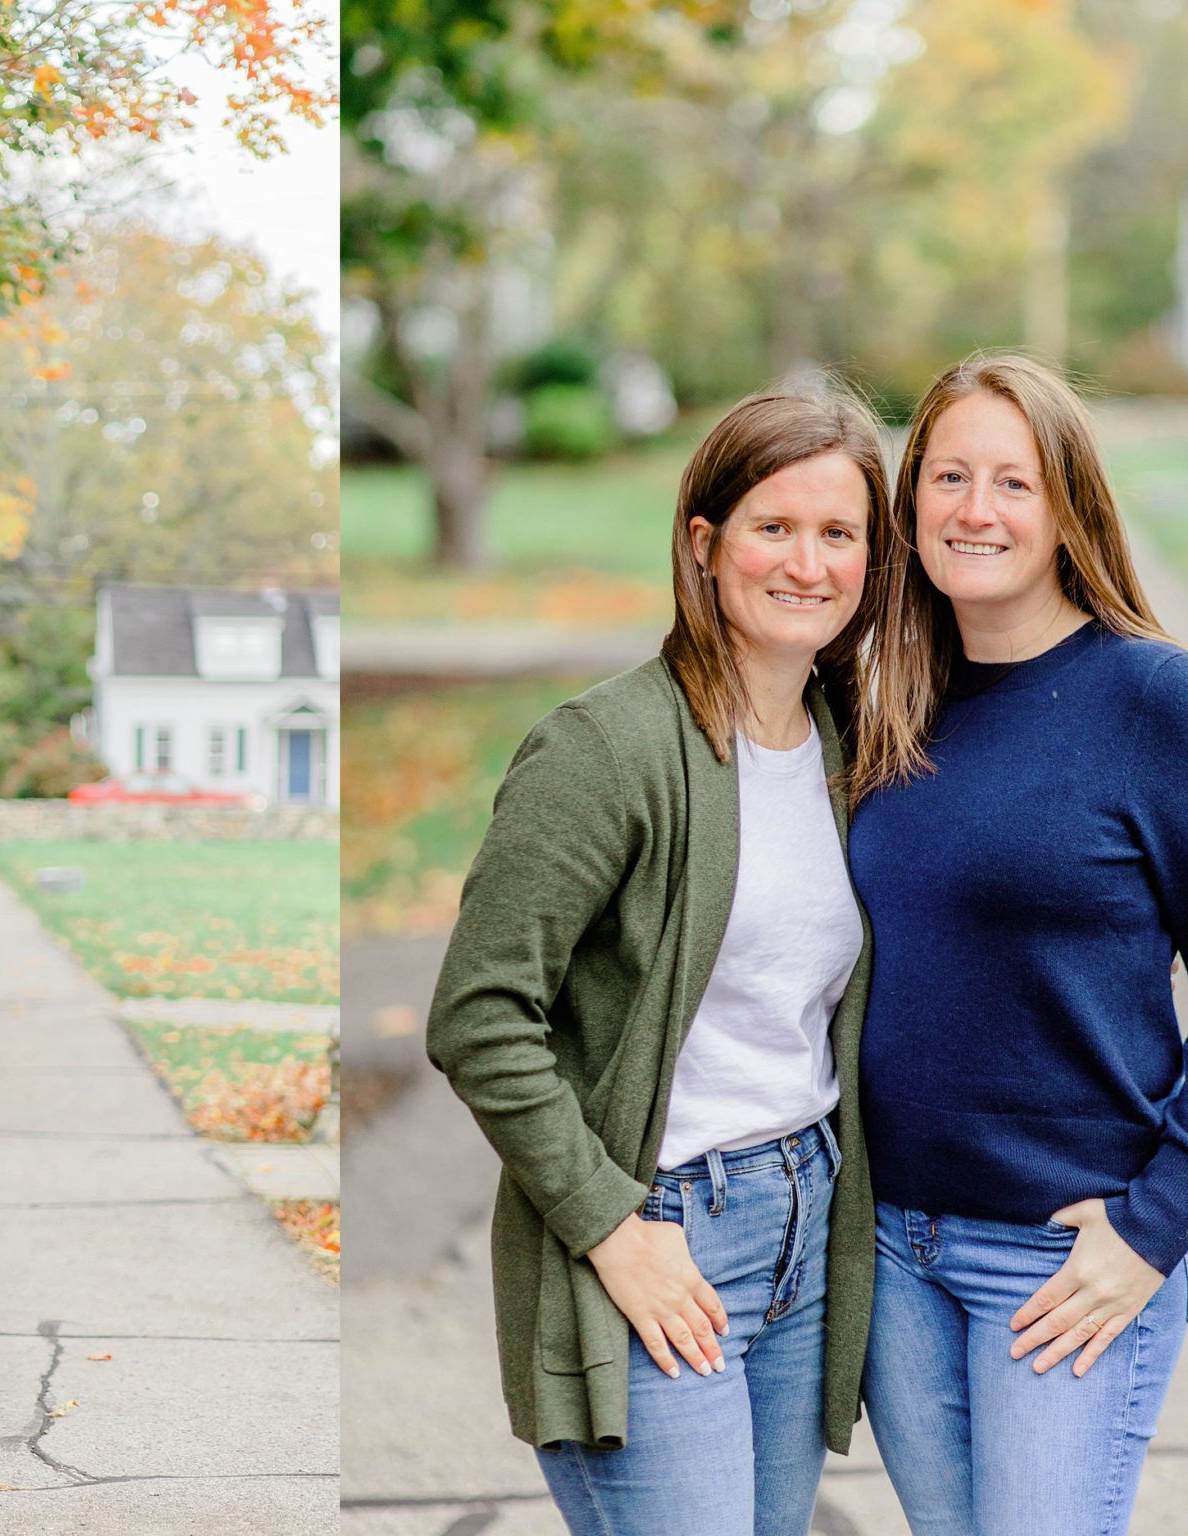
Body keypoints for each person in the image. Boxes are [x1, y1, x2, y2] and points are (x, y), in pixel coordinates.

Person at [848, 352, 1188, 1535]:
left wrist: (1154, 1228)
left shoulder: (1155, 704)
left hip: (1061, 1263)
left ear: (1066, 512)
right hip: (893, 1250)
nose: (974, 509)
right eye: (947, 476)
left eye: (1012, 481)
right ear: (909, 506)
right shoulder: (889, 704)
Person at [426, 386, 889, 1535]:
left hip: (802, 1222)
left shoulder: (844, 744)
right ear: (703, 542)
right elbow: (478, 1016)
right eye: (771, 528)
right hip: (660, 1226)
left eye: (837, 533)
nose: (806, 562)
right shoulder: (606, 749)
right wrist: (608, 1228)